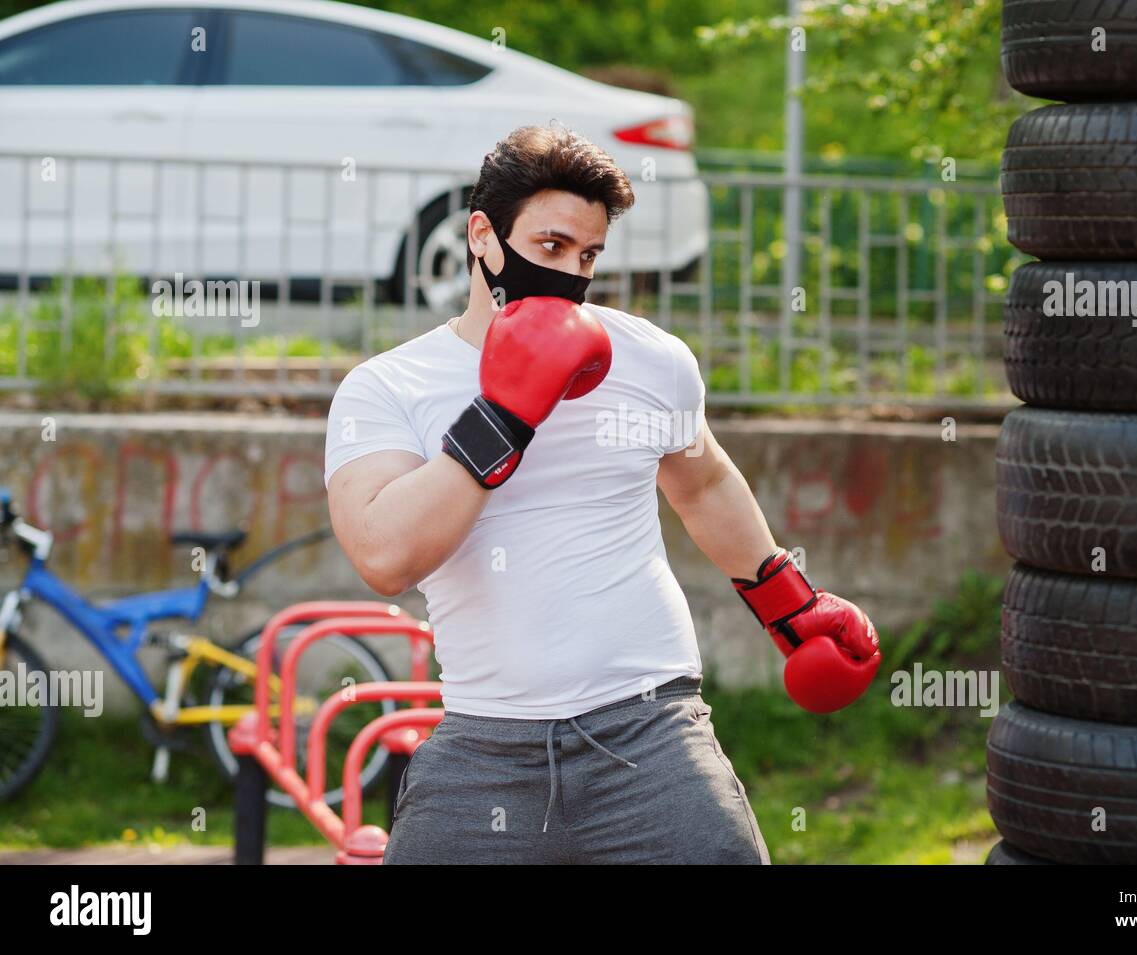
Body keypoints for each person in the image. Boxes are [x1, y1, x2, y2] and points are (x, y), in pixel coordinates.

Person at [323, 124, 881, 864]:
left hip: (651, 735)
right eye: (550, 247)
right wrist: (504, 415)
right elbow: (384, 554)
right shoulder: (389, 385)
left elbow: (704, 480)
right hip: (486, 747)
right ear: (482, 236)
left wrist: (792, 607)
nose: (569, 274)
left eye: (587, 256)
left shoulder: (647, 359)